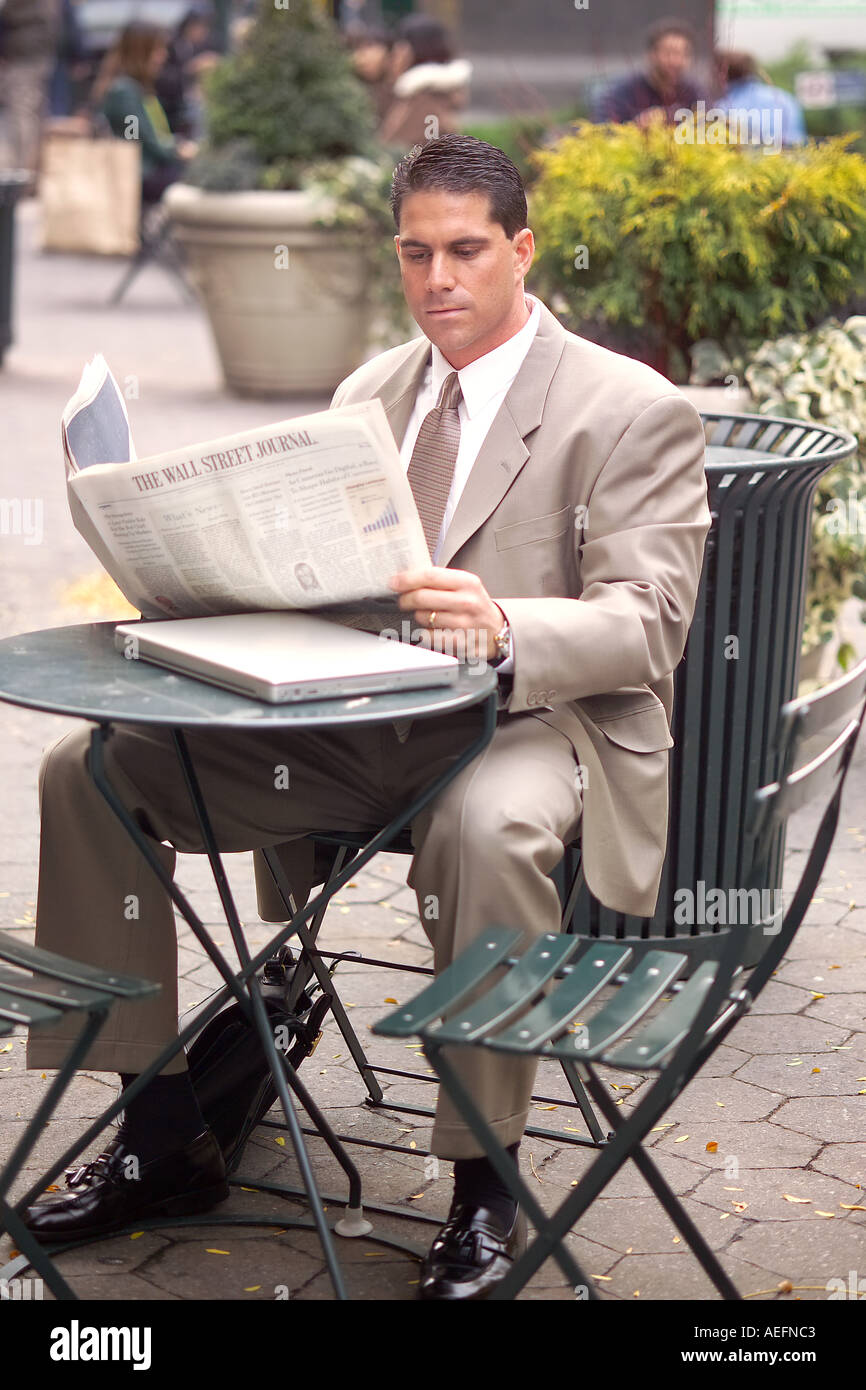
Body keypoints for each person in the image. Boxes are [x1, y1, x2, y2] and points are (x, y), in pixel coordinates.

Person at [21, 134, 711, 1301]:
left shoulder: (627, 408)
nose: (437, 278)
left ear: (521, 250)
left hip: (533, 725)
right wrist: (199, 567)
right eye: (413, 253)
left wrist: (504, 626)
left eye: (464, 251)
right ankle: (160, 1126)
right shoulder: (365, 396)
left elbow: (648, 626)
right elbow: (317, 573)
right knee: (89, 768)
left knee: (484, 827)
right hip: (351, 726)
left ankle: (483, 1185)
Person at [97, 21, 197, 204]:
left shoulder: (137, 89)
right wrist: (179, 149)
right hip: (141, 175)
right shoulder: (124, 92)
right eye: (157, 50)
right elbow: (134, 140)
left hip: (148, 170)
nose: (163, 56)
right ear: (141, 53)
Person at [379, 15, 471, 148]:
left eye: (400, 46)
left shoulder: (424, 99)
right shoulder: (420, 92)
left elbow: (397, 152)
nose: (394, 54)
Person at [593, 17, 702, 127]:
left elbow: (710, 126)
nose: (675, 61)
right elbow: (602, 129)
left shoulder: (694, 92)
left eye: (683, 54)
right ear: (651, 54)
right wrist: (636, 126)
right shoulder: (623, 93)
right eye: (668, 53)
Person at [0, 0, 60, 192]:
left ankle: (21, 178)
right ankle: (25, 176)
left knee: (24, 119)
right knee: (29, 119)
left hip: (25, 62)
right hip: (33, 60)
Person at [714, 49, 806, 149]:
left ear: (723, 73)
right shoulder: (783, 97)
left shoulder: (724, 103)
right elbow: (796, 139)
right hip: (791, 158)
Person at [155, 4, 220, 139]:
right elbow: (162, 79)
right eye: (199, 26)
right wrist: (190, 69)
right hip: (171, 107)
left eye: (205, 27)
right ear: (189, 25)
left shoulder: (205, 44)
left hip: (196, 102)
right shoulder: (172, 44)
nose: (203, 31)